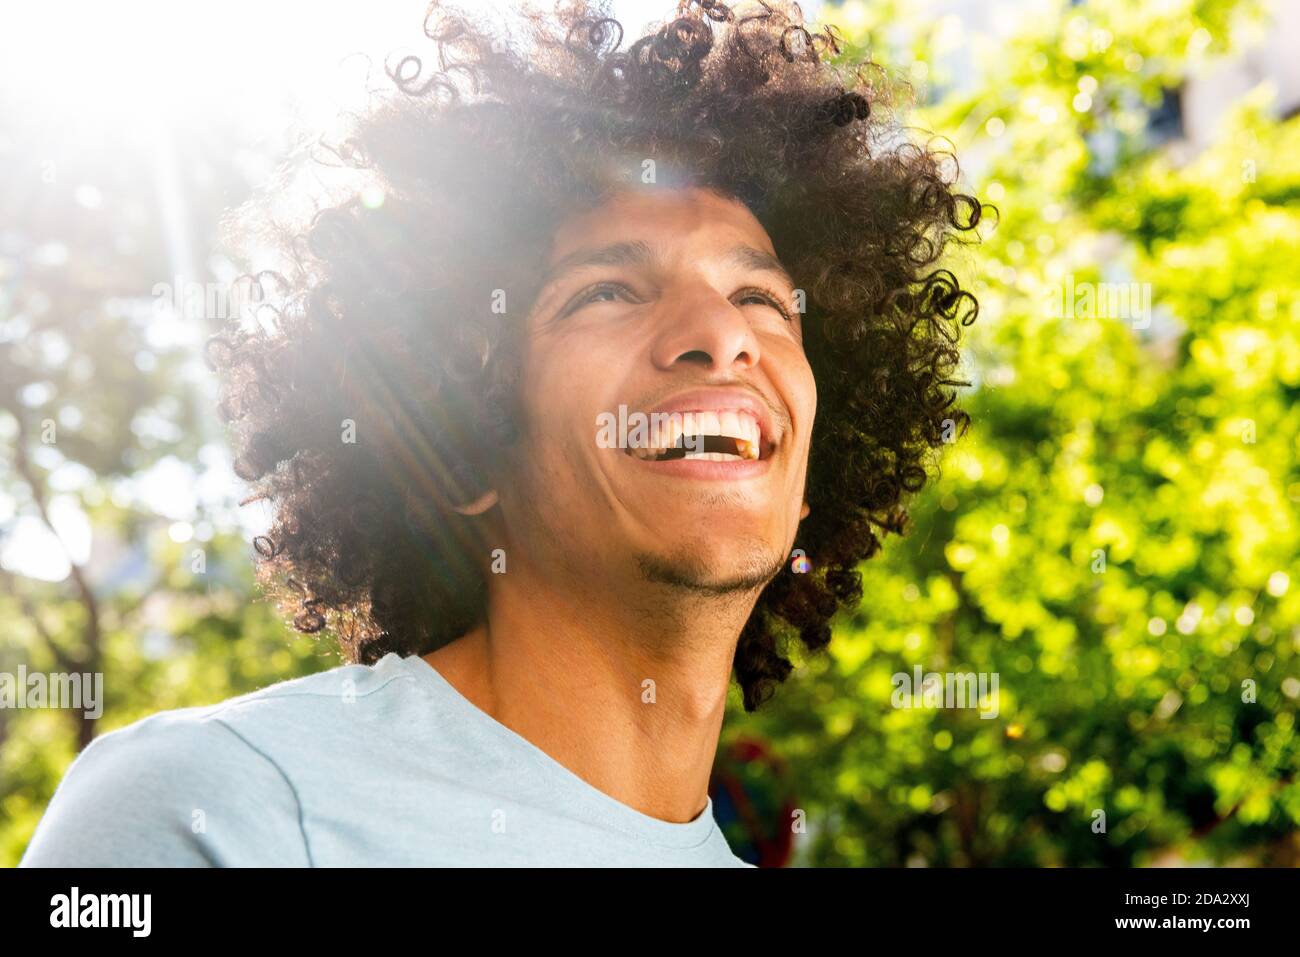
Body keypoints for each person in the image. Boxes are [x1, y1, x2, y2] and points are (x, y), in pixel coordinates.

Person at [21, 0, 982, 867]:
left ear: (807, 471)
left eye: (761, 297)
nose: (723, 335)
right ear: (460, 442)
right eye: (607, 290)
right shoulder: (220, 806)